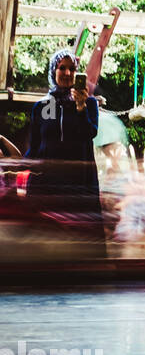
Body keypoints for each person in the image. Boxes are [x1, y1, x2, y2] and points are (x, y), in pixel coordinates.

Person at [24, 48, 103, 242]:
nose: (67, 73)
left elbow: (89, 133)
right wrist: (17, 164)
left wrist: (80, 107)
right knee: (44, 240)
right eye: (62, 68)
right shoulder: (44, 106)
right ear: (54, 71)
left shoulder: (89, 104)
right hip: (47, 184)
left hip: (77, 183)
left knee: (79, 240)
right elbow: (36, 146)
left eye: (71, 69)